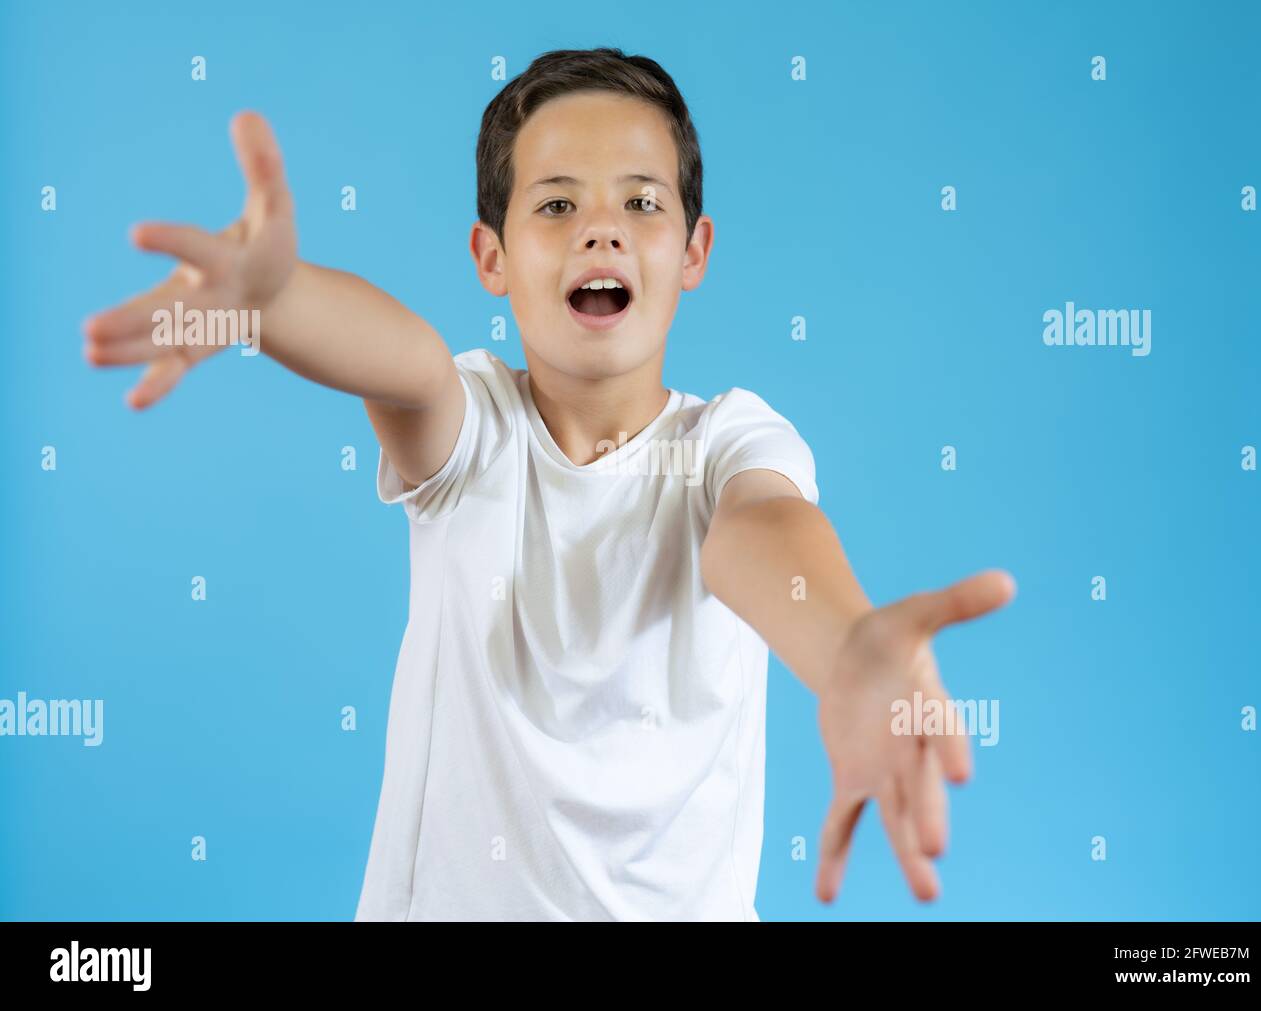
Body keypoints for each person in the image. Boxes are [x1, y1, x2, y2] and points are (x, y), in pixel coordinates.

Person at [82, 47, 1015, 921]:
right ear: (492, 257)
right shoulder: (476, 431)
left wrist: (846, 645)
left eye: (643, 204)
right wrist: (276, 301)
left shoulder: (732, 440)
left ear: (695, 251)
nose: (601, 227)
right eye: (557, 206)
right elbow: (400, 361)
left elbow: (761, 535)